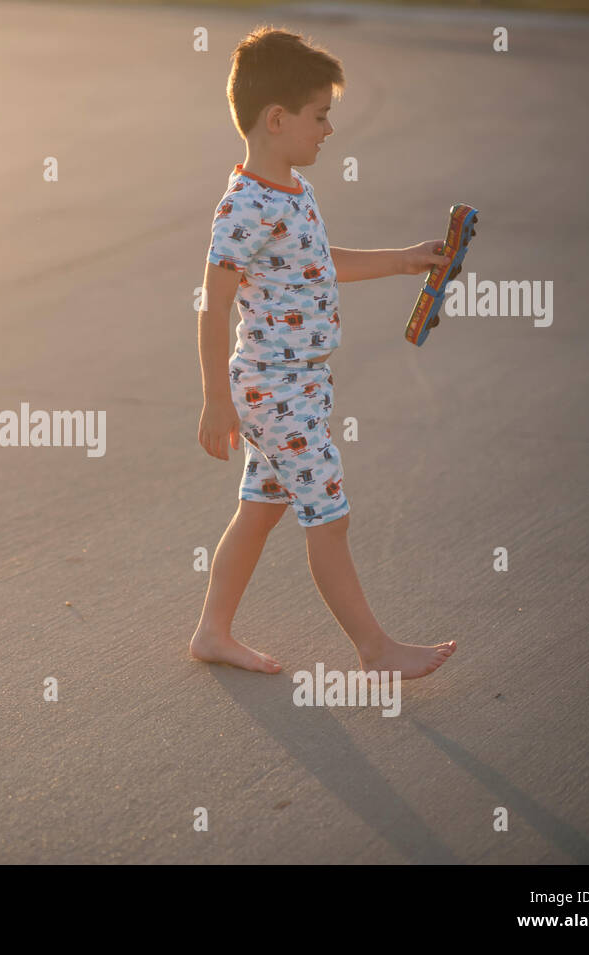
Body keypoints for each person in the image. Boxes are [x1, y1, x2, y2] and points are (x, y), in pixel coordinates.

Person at [191, 25, 457, 679]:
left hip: (297, 385)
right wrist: (215, 401)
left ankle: (212, 631)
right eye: (320, 116)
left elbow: (318, 263)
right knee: (329, 516)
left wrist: (404, 260)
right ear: (277, 119)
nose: (329, 130)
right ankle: (376, 649)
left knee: (259, 512)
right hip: (274, 388)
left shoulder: (292, 191)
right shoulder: (244, 207)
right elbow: (213, 304)